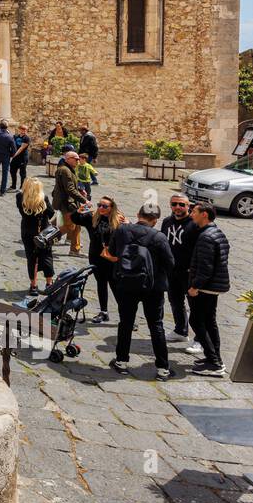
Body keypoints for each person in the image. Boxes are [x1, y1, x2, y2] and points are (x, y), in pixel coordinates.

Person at [104, 201, 176, 380]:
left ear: (138, 214)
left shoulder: (122, 230)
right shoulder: (158, 237)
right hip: (153, 287)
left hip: (126, 284)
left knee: (126, 323)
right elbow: (170, 264)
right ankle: (162, 368)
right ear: (155, 219)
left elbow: (112, 253)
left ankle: (121, 361)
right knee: (156, 325)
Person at [188, 203, 230, 377]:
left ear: (204, 215)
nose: (191, 215)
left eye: (194, 212)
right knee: (209, 321)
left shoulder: (206, 236)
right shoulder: (217, 232)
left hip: (206, 287)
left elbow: (205, 267)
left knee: (197, 321)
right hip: (214, 285)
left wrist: (195, 286)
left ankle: (214, 362)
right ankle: (212, 356)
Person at [73, 195, 124, 323]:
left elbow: (130, 235)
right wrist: (78, 210)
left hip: (112, 259)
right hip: (96, 257)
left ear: (111, 208)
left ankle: (126, 316)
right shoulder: (92, 218)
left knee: (115, 286)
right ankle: (103, 312)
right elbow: (75, 219)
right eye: (99, 205)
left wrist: (128, 224)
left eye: (104, 206)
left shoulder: (118, 220)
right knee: (101, 284)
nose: (101, 208)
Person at [160, 194, 202, 346]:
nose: (177, 207)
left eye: (181, 204)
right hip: (172, 271)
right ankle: (180, 331)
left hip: (189, 272)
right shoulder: (166, 222)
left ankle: (200, 338)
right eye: (174, 204)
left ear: (188, 206)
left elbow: (200, 248)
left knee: (196, 306)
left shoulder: (194, 224)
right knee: (175, 301)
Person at [17, 178, 55, 295]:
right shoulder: (43, 198)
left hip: (27, 232)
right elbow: (51, 213)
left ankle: (33, 286)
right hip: (43, 233)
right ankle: (49, 284)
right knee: (47, 257)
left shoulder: (20, 197)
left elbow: (22, 212)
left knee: (31, 258)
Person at [52, 150, 85, 255]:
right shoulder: (65, 170)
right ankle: (47, 238)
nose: (78, 161)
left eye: (78, 159)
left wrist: (80, 189)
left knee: (77, 225)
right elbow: (69, 189)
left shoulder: (69, 169)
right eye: (76, 159)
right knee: (69, 226)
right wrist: (85, 200)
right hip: (66, 203)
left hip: (69, 202)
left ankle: (75, 250)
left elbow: (71, 185)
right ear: (68, 159)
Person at [9, 124, 31, 190]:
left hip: (23, 158)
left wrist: (14, 155)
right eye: (22, 129)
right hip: (16, 158)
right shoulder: (15, 137)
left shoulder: (26, 138)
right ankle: (13, 185)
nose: (23, 131)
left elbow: (21, 148)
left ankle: (22, 187)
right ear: (19, 129)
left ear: (26, 130)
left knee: (22, 173)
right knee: (12, 171)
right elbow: (12, 145)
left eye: (24, 129)